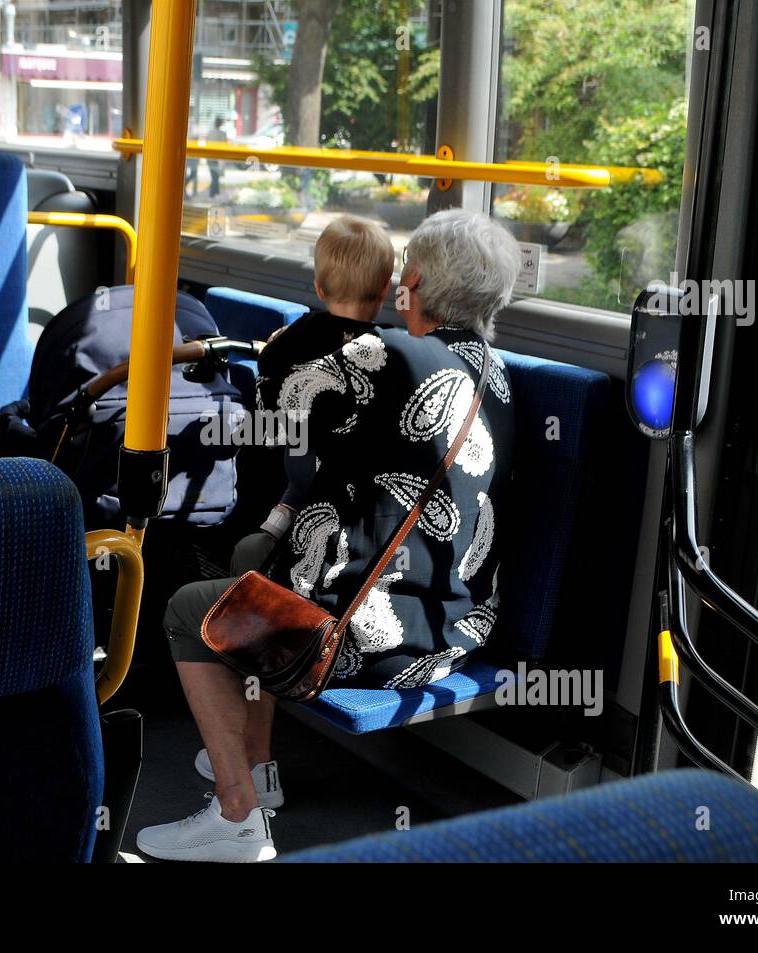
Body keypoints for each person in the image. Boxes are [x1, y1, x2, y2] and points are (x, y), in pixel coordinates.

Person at [135, 210, 521, 862]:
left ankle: (236, 815)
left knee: (190, 608)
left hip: (365, 640)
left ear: (415, 282)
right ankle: (258, 772)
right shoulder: (499, 375)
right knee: (263, 583)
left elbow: (286, 419)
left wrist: (279, 350)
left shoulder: (389, 355)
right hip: (461, 629)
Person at [232, 214, 396, 575]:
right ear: (386, 289)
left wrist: (271, 348)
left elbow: (269, 366)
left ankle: (277, 520)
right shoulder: (390, 345)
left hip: (305, 465)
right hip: (361, 483)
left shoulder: (305, 330)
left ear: (319, 288)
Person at [206, 115, 228, 198]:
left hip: (210, 158)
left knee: (214, 176)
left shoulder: (210, 132)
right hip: (218, 159)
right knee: (215, 176)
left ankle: (215, 192)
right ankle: (213, 193)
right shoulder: (223, 134)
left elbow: (207, 144)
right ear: (220, 124)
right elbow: (225, 146)